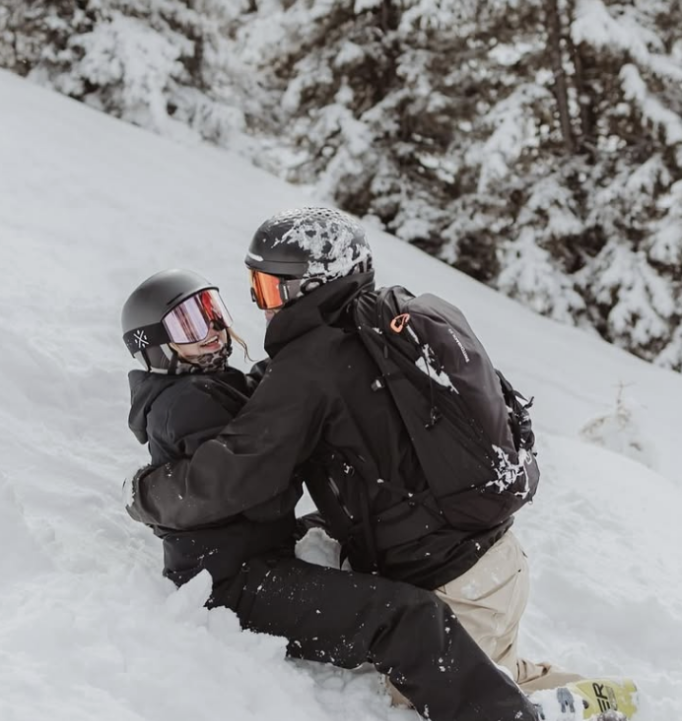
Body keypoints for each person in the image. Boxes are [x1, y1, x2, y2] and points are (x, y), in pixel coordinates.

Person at [125, 208, 580, 694]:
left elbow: (233, 475)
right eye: (257, 288)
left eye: (270, 289)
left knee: (409, 706)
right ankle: (563, 694)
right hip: (494, 562)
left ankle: (536, 704)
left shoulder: (307, 369)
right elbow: (288, 400)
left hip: (452, 584)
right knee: (488, 673)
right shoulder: (378, 325)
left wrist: (145, 494)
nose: (263, 305)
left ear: (310, 286)